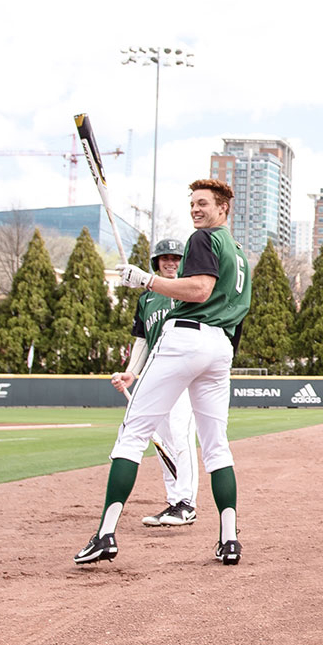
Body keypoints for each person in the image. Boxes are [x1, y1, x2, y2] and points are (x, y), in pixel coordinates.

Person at [76, 179, 251, 567]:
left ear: (223, 208)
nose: (196, 209)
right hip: (221, 347)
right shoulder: (240, 255)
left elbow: (200, 289)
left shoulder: (204, 238)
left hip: (186, 338)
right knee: (216, 445)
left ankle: (105, 535)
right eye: (193, 204)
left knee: (132, 435)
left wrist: (146, 279)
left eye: (203, 203)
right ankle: (229, 540)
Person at [117, 237, 199, 527]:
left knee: (180, 434)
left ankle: (187, 503)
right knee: (161, 439)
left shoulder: (190, 290)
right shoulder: (146, 299)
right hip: (155, 375)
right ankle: (174, 501)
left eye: (176, 258)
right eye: (165, 258)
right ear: (157, 263)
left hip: (183, 373)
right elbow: (141, 339)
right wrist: (131, 372)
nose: (171, 263)